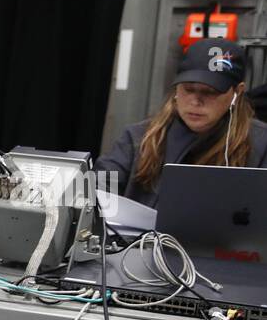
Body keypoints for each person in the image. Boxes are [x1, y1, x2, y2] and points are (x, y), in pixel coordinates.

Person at [97, 37, 267, 207]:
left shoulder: (260, 144)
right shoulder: (138, 137)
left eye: (210, 92)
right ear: (176, 88)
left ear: (237, 92)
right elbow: (98, 189)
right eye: (188, 89)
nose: (195, 101)